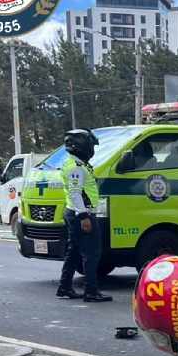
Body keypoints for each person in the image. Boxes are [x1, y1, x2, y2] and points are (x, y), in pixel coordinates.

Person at [57, 129, 111, 302]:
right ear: (82, 146)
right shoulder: (76, 167)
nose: (92, 150)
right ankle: (91, 291)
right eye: (90, 145)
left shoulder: (75, 163)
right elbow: (75, 193)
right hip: (81, 213)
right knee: (92, 253)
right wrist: (84, 217)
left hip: (74, 211)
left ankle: (64, 287)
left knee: (73, 252)